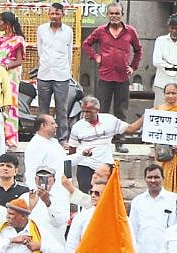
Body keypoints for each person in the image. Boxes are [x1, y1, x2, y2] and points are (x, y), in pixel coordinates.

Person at [82, 2, 140, 131]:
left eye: (117, 13)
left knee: (121, 111)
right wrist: (96, 56)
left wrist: (133, 66)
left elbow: (138, 50)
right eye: (111, 13)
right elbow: (86, 44)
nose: (114, 16)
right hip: (105, 76)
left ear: (122, 14)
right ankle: (102, 137)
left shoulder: (130, 31)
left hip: (123, 77)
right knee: (102, 110)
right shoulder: (100, 31)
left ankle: (120, 140)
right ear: (107, 15)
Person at [66, 96, 143, 191]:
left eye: (88, 111)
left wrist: (146, 116)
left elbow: (131, 129)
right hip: (85, 165)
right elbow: (72, 152)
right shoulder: (77, 127)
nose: (85, 115)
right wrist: (68, 176)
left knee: (106, 198)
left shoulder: (110, 120)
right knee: (87, 198)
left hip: (105, 166)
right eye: (83, 111)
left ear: (97, 110)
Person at [36, 3, 74, 141]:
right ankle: (42, 137)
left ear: (63, 14)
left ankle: (62, 138)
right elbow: (40, 50)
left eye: (57, 14)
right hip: (44, 74)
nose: (54, 16)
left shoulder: (68, 31)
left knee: (61, 110)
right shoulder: (41, 29)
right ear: (48, 14)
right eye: (52, 13)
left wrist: (66, 70)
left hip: (61, 75)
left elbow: (69, 53)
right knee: (43, 110)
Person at [0, 11, 25, 146]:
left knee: (10, 104)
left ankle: (10, 139)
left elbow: (18, 61)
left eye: (0, 22)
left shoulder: (18, 40)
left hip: (11, 76)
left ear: (7, 24)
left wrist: (4, 66)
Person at [24, 114, 67, 181]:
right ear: (43, 125)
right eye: (52, 123)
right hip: (47, 189)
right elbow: (31, 171)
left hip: (63, 187)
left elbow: (65, 161)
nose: (56, 126)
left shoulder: (54, 142)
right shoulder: (36, 144)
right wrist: (34, 189)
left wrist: (82, 154)